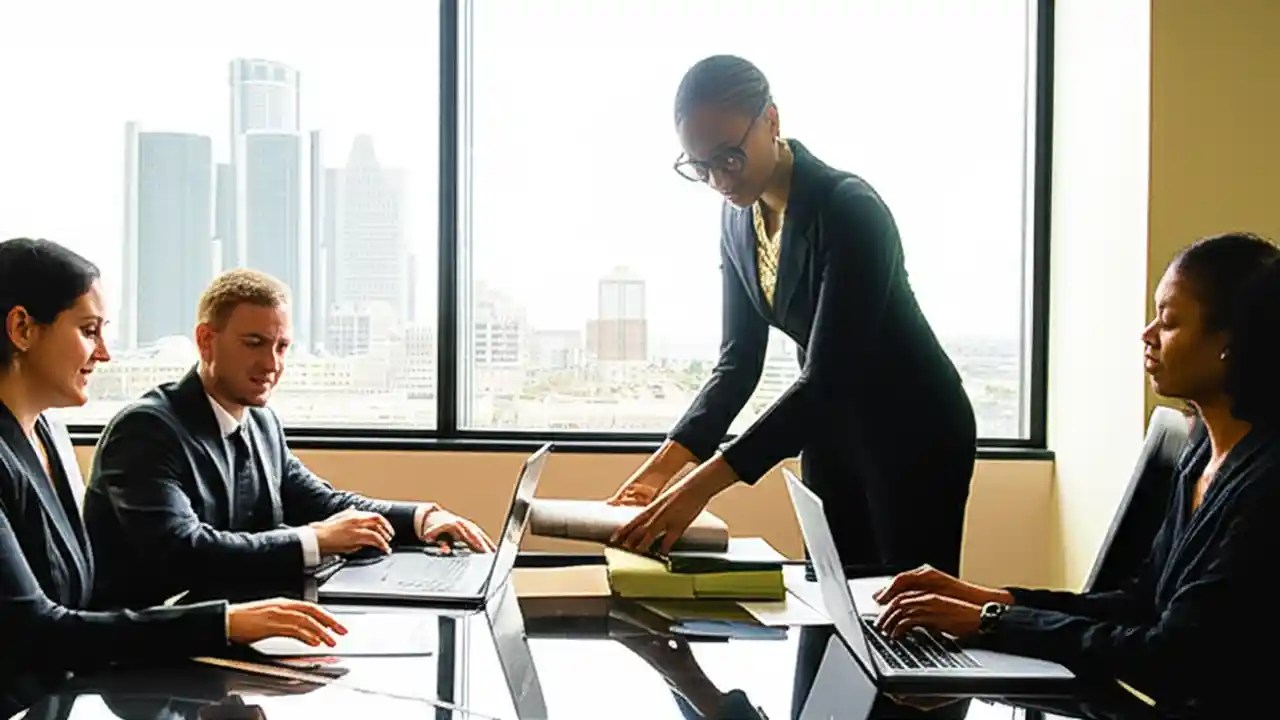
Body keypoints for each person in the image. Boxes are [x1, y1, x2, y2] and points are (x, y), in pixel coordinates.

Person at [873, 232, 1280, 711]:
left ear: (1230, 343)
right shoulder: (1200, 454)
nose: (1147, 335)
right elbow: (1141, 605)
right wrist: (986, 598)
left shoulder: (1266, 485)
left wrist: (987, 621)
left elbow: (1170, 654)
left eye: (1168, 322)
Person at [609, 55, 976, 576]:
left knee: (905, 617)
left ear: (772, 122)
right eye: (699, 166)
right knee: (831, 603)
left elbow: (827, 377)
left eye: (728, 158)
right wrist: (657, 473)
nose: (717, 180)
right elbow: (738, 364)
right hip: (830, 432)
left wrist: (699, 486)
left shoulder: (849, 209)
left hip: (913, 429)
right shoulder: (738, 219)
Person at [0, 237, 347, 676]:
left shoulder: (47, 432)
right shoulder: (141, 429)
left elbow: (78, 603)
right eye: (89, 331)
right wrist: (223, 623)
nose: (104, 352)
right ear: (22, 329)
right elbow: (37, 630)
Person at [84, 268, 495, 608]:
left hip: (241, 619)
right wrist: (315, 539)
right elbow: (184, 552)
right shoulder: (146, 430)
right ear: (206, 341)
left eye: (282, 346)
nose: (272, 363)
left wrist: (423, 518)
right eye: (254, 344)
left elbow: (323, 502)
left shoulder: (262, 424)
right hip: (151, 653)